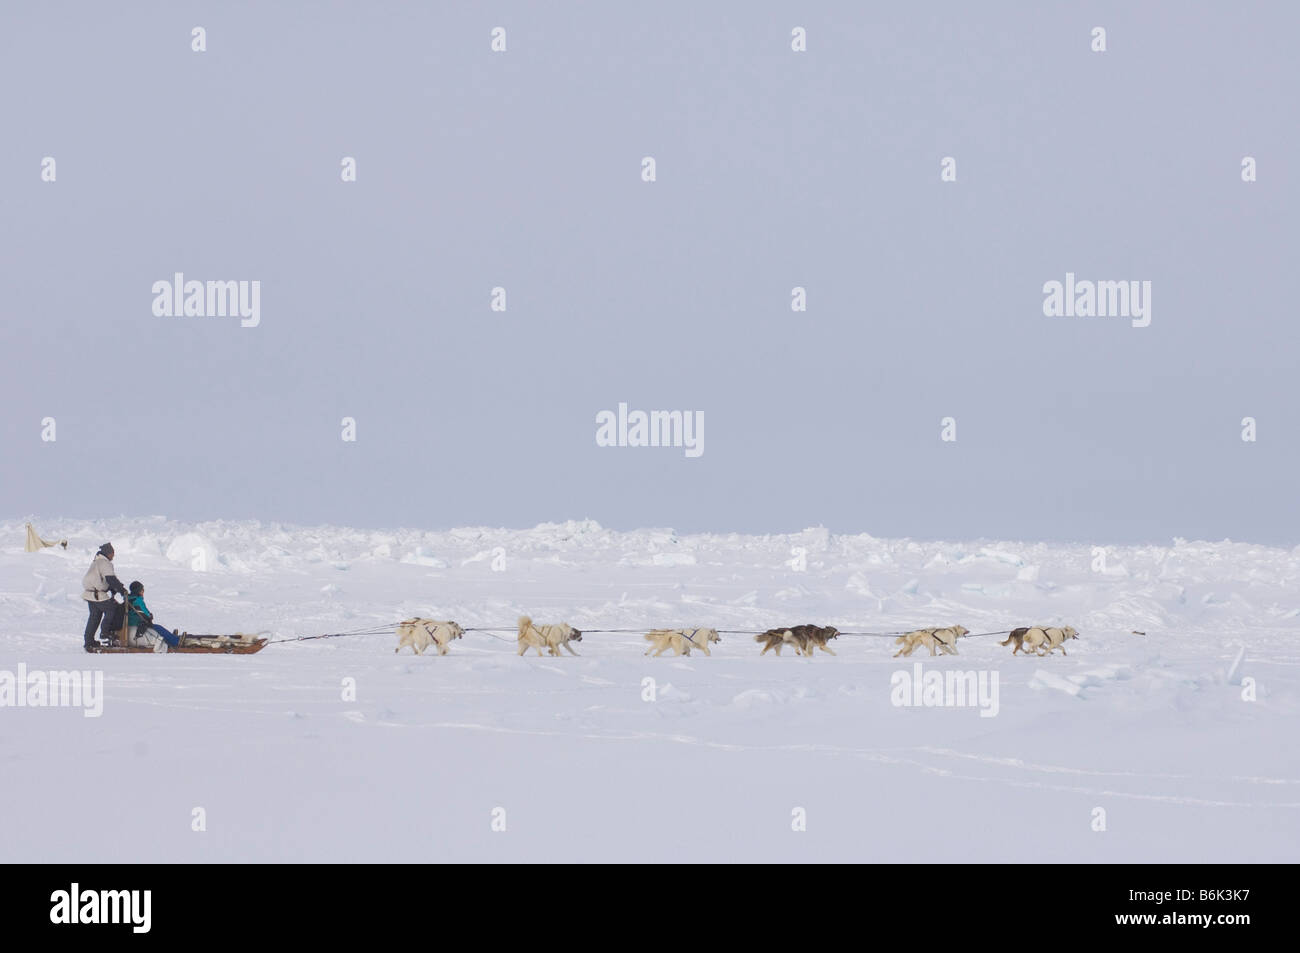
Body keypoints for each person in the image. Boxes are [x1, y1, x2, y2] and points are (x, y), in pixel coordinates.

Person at [82, 543, 127, 650]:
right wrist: (122, 590)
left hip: (89, 593)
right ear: (108, 553)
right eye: (113, 554)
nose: (113, 556)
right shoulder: (105, 563)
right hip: (97, 594)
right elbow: (111, 579)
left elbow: (103, 579)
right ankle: (105, 633)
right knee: (112, 608)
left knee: (94, 617)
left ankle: (89, 641)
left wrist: (113, 589)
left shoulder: (96, 561)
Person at [126, 581, 180, 648]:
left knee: (157, 628)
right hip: (137, 625)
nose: (143, 592)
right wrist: (149, 617)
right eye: (142, 590)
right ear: (138, 591)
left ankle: (172, 637)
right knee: (158, 628)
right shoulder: (137, 601)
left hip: (132, 624)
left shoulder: (129, 599)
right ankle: (176, 641)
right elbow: (144, 614)